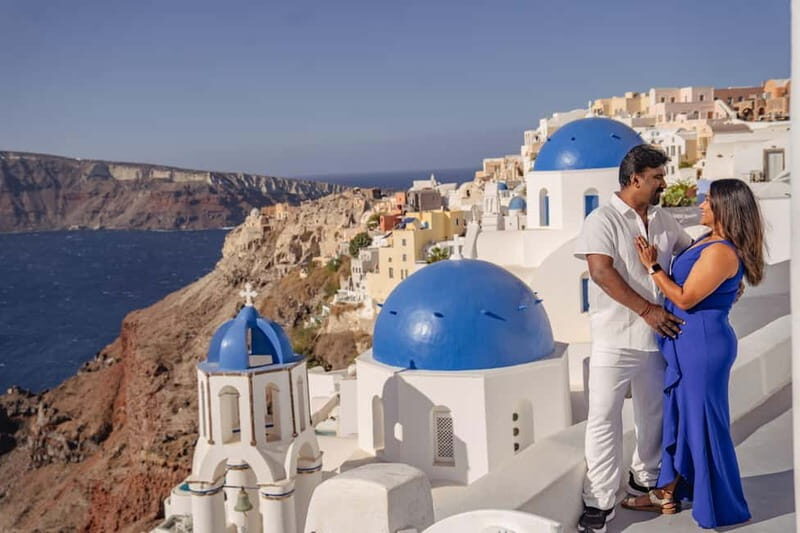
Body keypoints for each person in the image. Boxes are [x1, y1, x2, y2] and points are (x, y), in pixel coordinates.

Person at [621, 178, 763, 528]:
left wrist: (652, 267)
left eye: (709, 201)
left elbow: (685, 298)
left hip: (702, 346)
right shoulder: (709, 241)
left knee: (703, 424)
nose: (701, 205)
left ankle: (721, 505)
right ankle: (667, 492)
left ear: (725, 210)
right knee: (682, 419)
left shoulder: (720, 251)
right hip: (689, 343)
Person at [574, 144, 693, 533]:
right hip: (613, 339)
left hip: (658, 339)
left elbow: (691, 253)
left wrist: (724, 279)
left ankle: (645, 480)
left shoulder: (662, 219)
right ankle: (600, 500)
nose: (664, 183)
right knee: (603, 418)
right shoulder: (602, 219)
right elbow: (602, 273)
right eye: (657, 177)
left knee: (652, 415)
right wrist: (648, 310)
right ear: (635, 178)